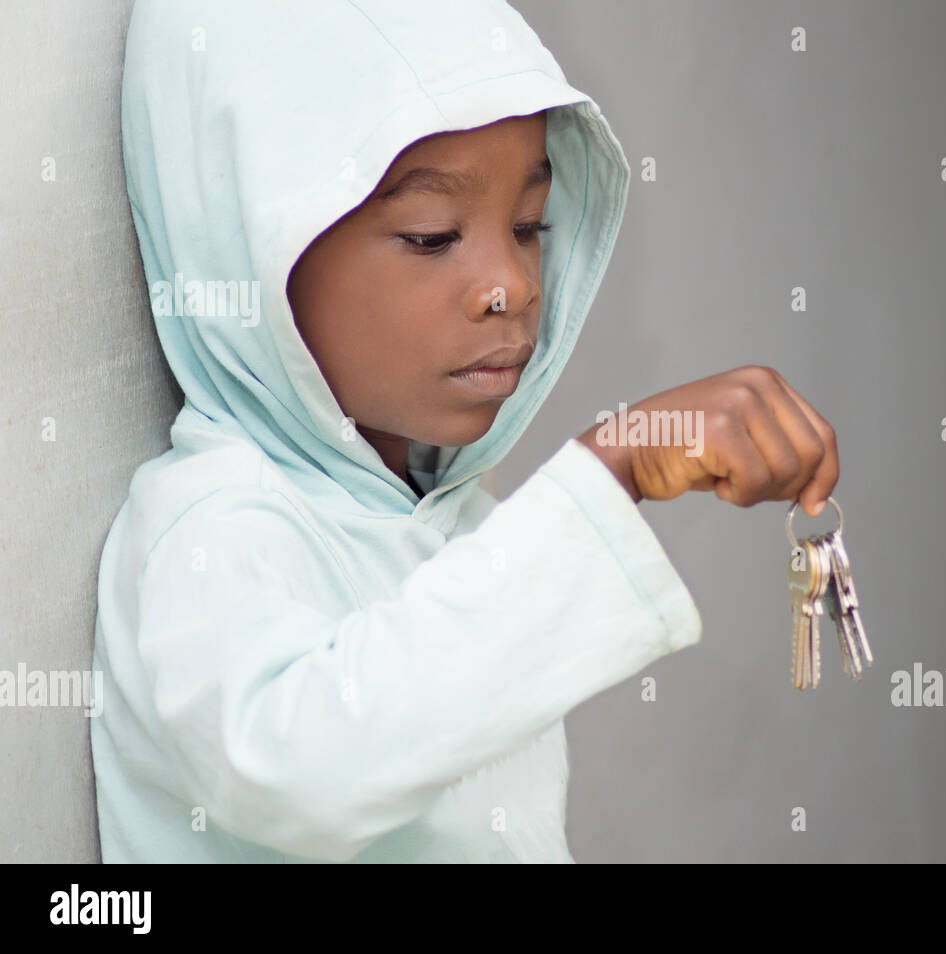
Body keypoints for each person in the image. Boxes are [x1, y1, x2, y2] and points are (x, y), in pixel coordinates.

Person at [91, 0, 838, 863]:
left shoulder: (458, 523)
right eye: (432, 235)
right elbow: (299, 774)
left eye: (528, 227)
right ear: (248, 245)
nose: (512, 286)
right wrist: (612, 465)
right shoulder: (211, 526)